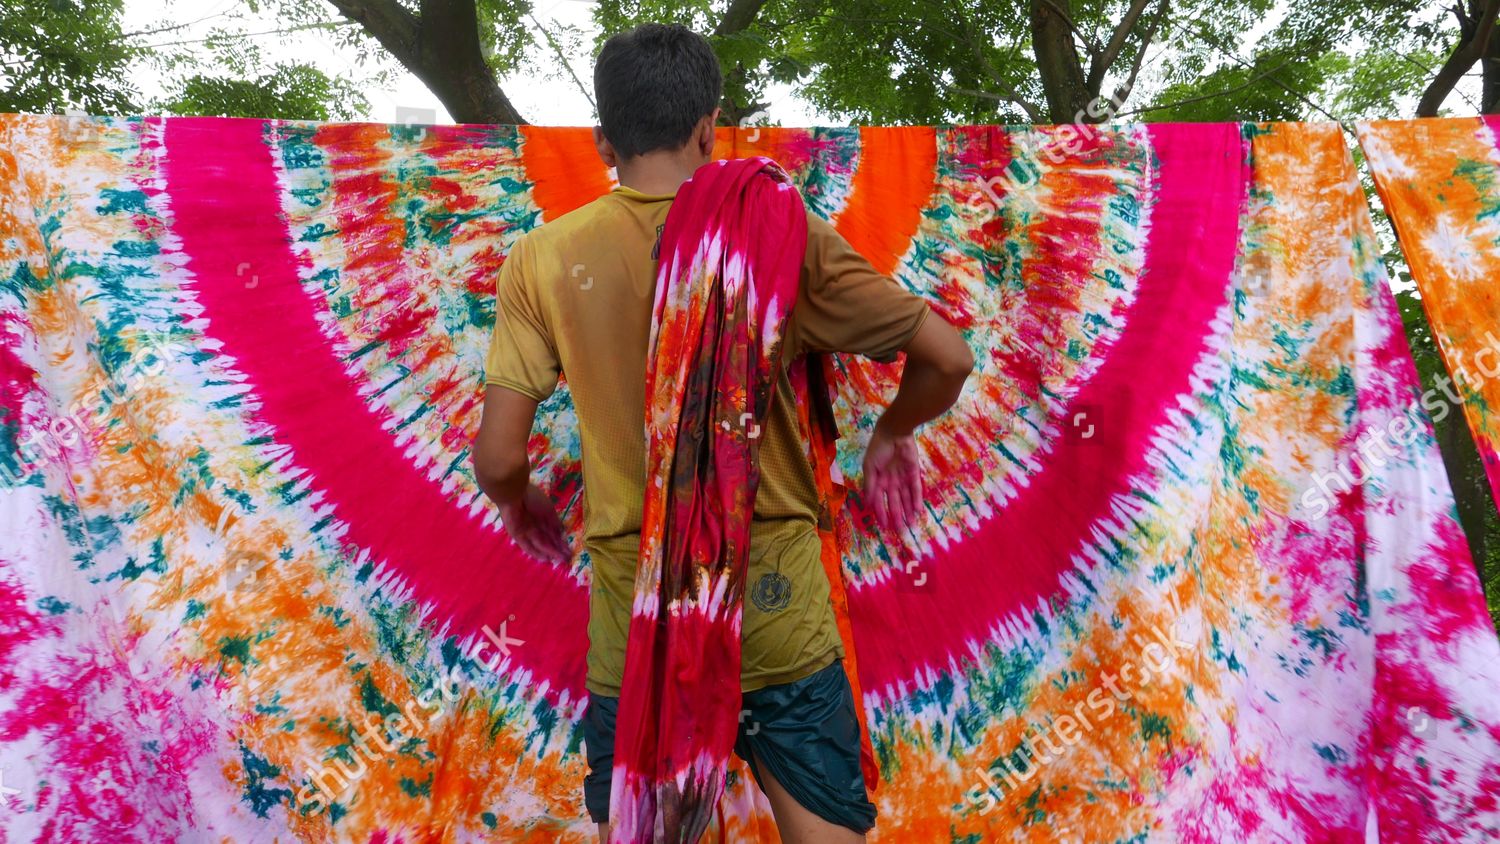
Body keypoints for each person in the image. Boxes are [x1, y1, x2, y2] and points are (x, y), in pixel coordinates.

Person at [471, 23, 973, 844]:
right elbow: (948, 357)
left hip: (636, 627)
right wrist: (890, 431)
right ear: (711, 129)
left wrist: (517, 498)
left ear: (603, 141)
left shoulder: (542, 260)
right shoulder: (777, 234)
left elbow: (497, 458)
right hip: (777, 610)